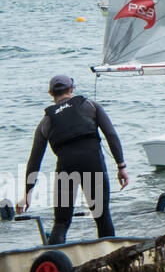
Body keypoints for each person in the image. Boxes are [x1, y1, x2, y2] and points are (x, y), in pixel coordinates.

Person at [19, 75, 129, 243]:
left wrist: (28, 191)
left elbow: (35, 160)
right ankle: (114, 263)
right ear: (72, 89)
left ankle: (55, 263)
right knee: (102, 216)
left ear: (51, 93)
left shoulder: (46, 121)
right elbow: (111, 135)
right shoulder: (90, 106)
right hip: (93, 164)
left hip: (66, 168)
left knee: (61, 222)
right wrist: (121, 166)